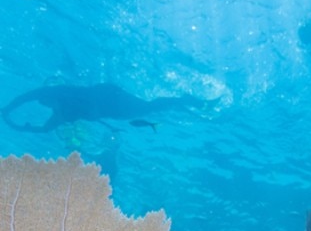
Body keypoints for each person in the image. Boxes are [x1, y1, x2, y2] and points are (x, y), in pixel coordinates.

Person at [1, 82, 216, 133]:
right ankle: (187, 104)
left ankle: (189, 102)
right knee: (149, 109)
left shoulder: (57, 93)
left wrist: (8, 112)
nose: (48, 106)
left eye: (46, 102)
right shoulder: (60, 111)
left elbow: (26, 96)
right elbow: (47, 127)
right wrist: (23, 127)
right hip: (114, 105)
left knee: (148, 108)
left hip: (113, 101)